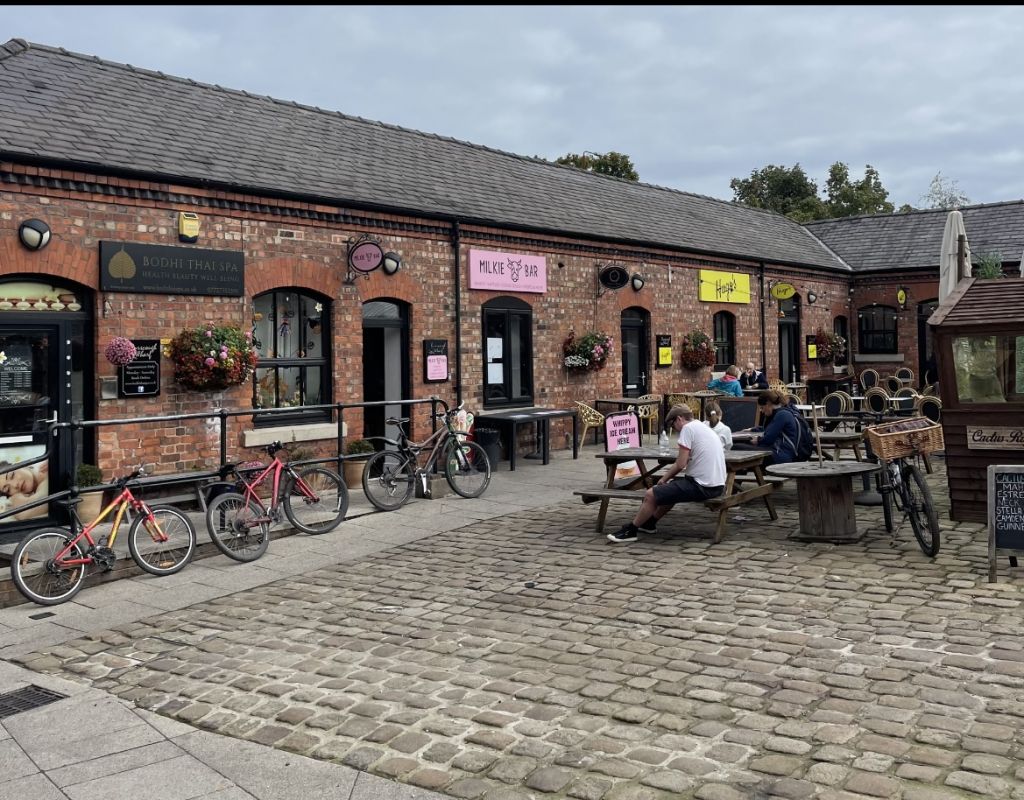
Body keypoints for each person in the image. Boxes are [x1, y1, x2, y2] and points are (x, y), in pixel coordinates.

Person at [607, 405, 725, 543]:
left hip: (702, 486)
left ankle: (631, 530)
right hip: (716, 485)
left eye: (672, 424)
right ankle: (649, 523)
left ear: (679, 418)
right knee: (671, 489)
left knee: (651, 494)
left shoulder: (687, 429)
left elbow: (681, 464)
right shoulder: (701, 426)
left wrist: (663, 479)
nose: (674, 429)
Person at [733, 389, 800, 465]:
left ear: (768, 404)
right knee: (741, 447)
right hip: (781, 453)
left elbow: (768, 439)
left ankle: (735, 473)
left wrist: (758, 440)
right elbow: (772, 427)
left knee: (735, 447)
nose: (761, 411)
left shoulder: (782, 415)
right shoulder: (783, 412)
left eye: (762, 407)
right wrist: (753, 429)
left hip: (780, 455)